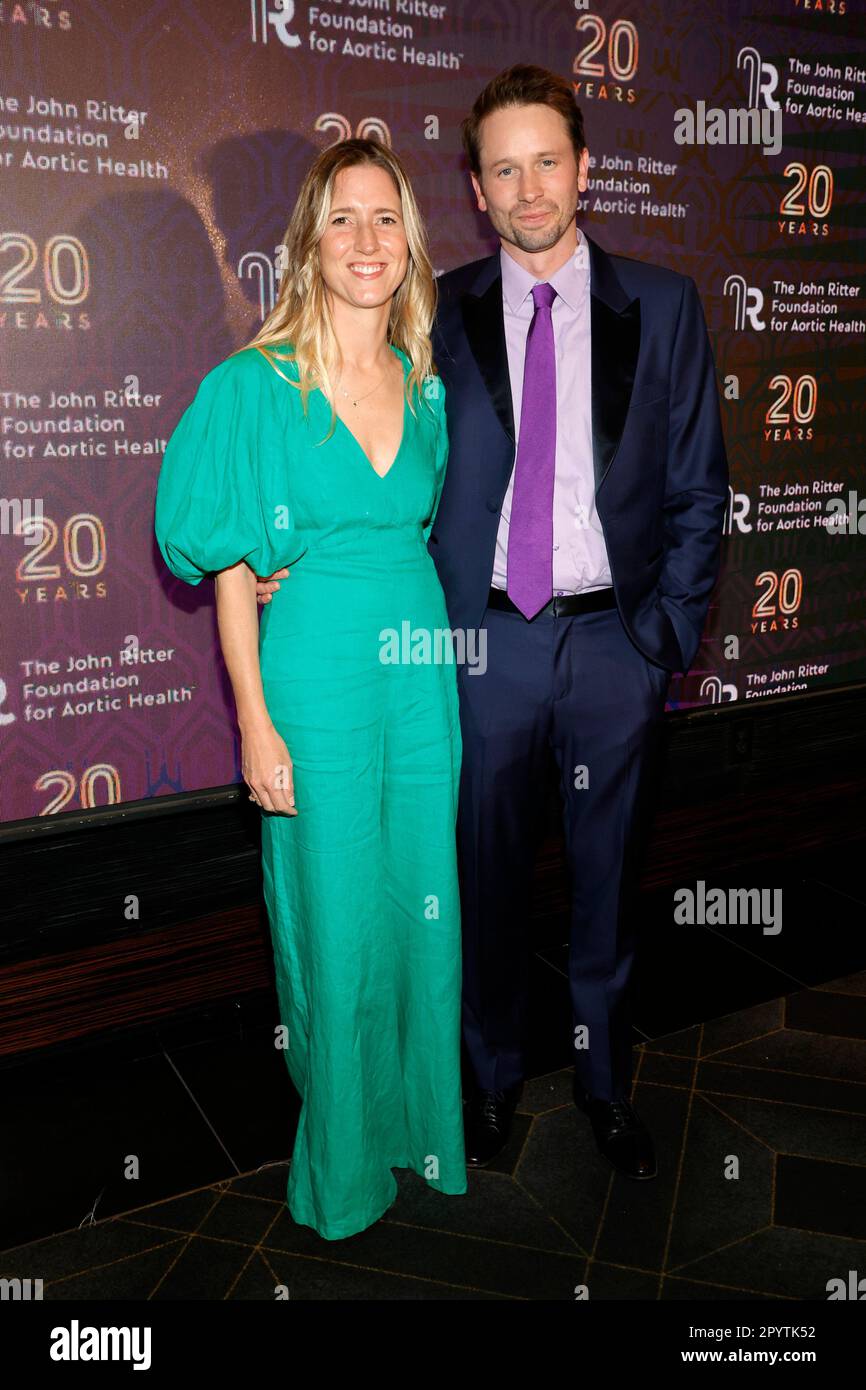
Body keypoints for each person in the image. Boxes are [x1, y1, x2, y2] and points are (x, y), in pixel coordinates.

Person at [257, 66, 730, 1182]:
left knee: (609, 879)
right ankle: (487, 1079)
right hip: (478, 646)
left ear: (583, 168)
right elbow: (361, 440)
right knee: (477, 873)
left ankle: (606, 1082)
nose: (527, 188)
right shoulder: (434, 313)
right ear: (474, 187)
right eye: (502, 168)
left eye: (546, 162)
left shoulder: (660, 306)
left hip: (614, 642)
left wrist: (661, 636)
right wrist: (297, 551)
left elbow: (698, 490)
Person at [154, 138, 467, 1240]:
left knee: (418, 905)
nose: (366, 239)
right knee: (334, 919)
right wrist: (254, 720)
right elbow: (233, 565)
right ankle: (342, 1168)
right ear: (307, 242)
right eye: (342, 218)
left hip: (420, 679)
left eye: (385, 217)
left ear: (410, 241)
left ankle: (418, 1128)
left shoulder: (422, 381)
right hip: (314, 679)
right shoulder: (256, 385)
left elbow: (415, 532)